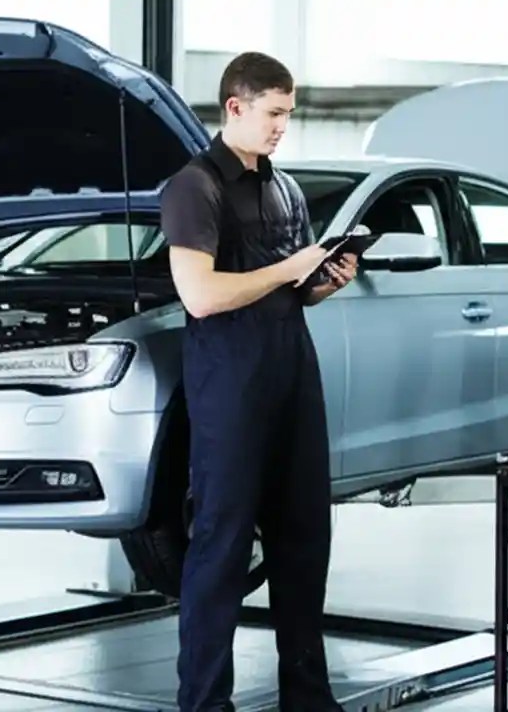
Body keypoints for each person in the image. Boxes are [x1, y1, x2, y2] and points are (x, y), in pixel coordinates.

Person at [160, 50, 359, 712]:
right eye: (274, 114)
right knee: (221, 546)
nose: (282, 127)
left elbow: (290, 293)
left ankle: (308, 698)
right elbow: (200, 295)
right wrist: (288, 268)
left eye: (289, 115)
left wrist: (323, 282)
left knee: (305, 540)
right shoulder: (194, 187)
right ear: (235, 107)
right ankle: (205, 703)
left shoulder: (286, 188)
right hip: (230, 388)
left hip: (292, 376)